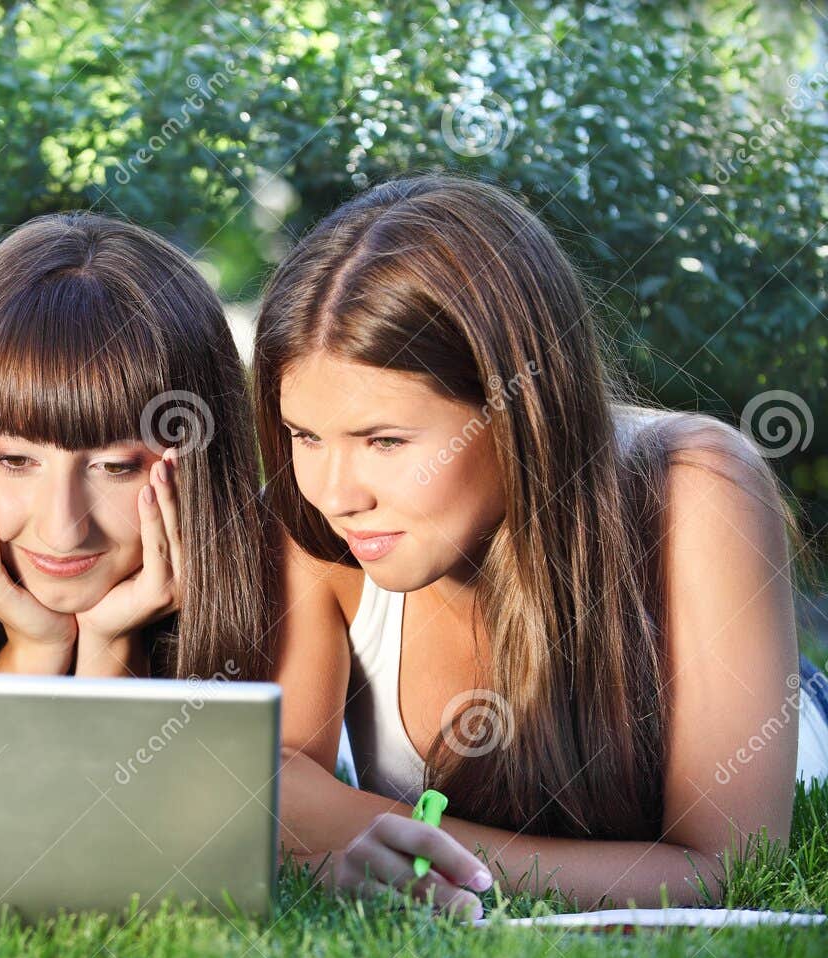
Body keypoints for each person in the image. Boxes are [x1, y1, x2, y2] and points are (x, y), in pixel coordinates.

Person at [255, 174, 824, 916]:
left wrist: (389, 842)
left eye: (386, 441)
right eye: (304, 434)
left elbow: (725, 871)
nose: (337, 494)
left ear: (519, 412)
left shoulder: (697, 484)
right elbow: (277, 784)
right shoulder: (317, 517)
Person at [0, 210, 276, 682]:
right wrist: (36, 649)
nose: (64, 532)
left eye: (116, 467)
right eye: (15, 460)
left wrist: (109, 647)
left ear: (199, 461)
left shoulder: (286, 571)